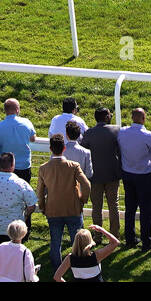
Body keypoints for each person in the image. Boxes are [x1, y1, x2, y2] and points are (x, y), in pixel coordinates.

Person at [38, 133, 91, 271]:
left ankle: (57, 269)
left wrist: (43, 207)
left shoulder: (43, 168)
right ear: (64, 148)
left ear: (50, 149)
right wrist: (82, 200)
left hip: (53, 210)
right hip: (73, 209)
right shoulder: (73, 166)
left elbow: (40, 191)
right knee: (77, 241)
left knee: (55, 242)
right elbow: (87, 185)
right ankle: (78, 266)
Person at [117, 107, 151, 250]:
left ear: (132, 117)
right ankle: (146, 241)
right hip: (143, 176)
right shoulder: (147, 135)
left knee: (130, 208)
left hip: (127, 174)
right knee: (146, 210)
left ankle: (130, 238)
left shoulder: (122, 132)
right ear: (144, 119)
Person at [80, 106, 122, 235]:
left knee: (96, 207)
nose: (111, 116)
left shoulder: (89, 133)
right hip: (112, 174)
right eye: (109, 114)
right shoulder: (116, 130)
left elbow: (83, 150)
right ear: (105, 117)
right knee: (113, 205)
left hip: (95, 175)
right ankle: (114, 235)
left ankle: (97, 236)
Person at [52, 225, 120, 282]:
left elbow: (57, 277)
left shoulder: (70, 258)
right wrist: (101, 230)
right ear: (90, 241)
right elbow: (115, 242)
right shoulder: (97, 256)